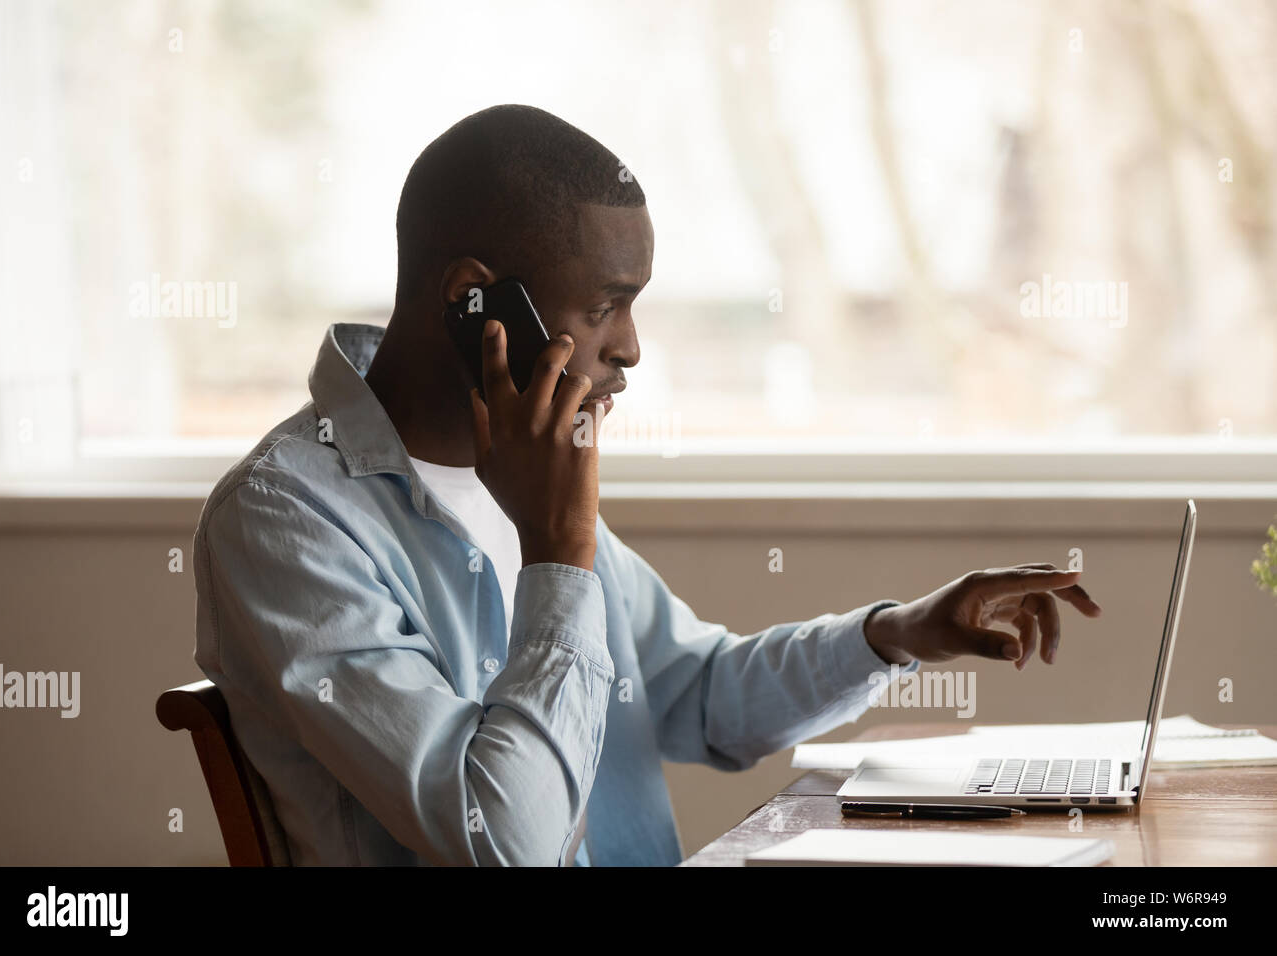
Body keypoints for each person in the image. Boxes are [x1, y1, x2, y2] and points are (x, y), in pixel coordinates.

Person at [192, 104, 1101, 866]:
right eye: (604, 307)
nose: (631, 347)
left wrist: (894, 634)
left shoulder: (517, 472)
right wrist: (557, 554)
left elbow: (696, 694)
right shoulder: (286, 522)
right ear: (475, 302)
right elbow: (504, 838)